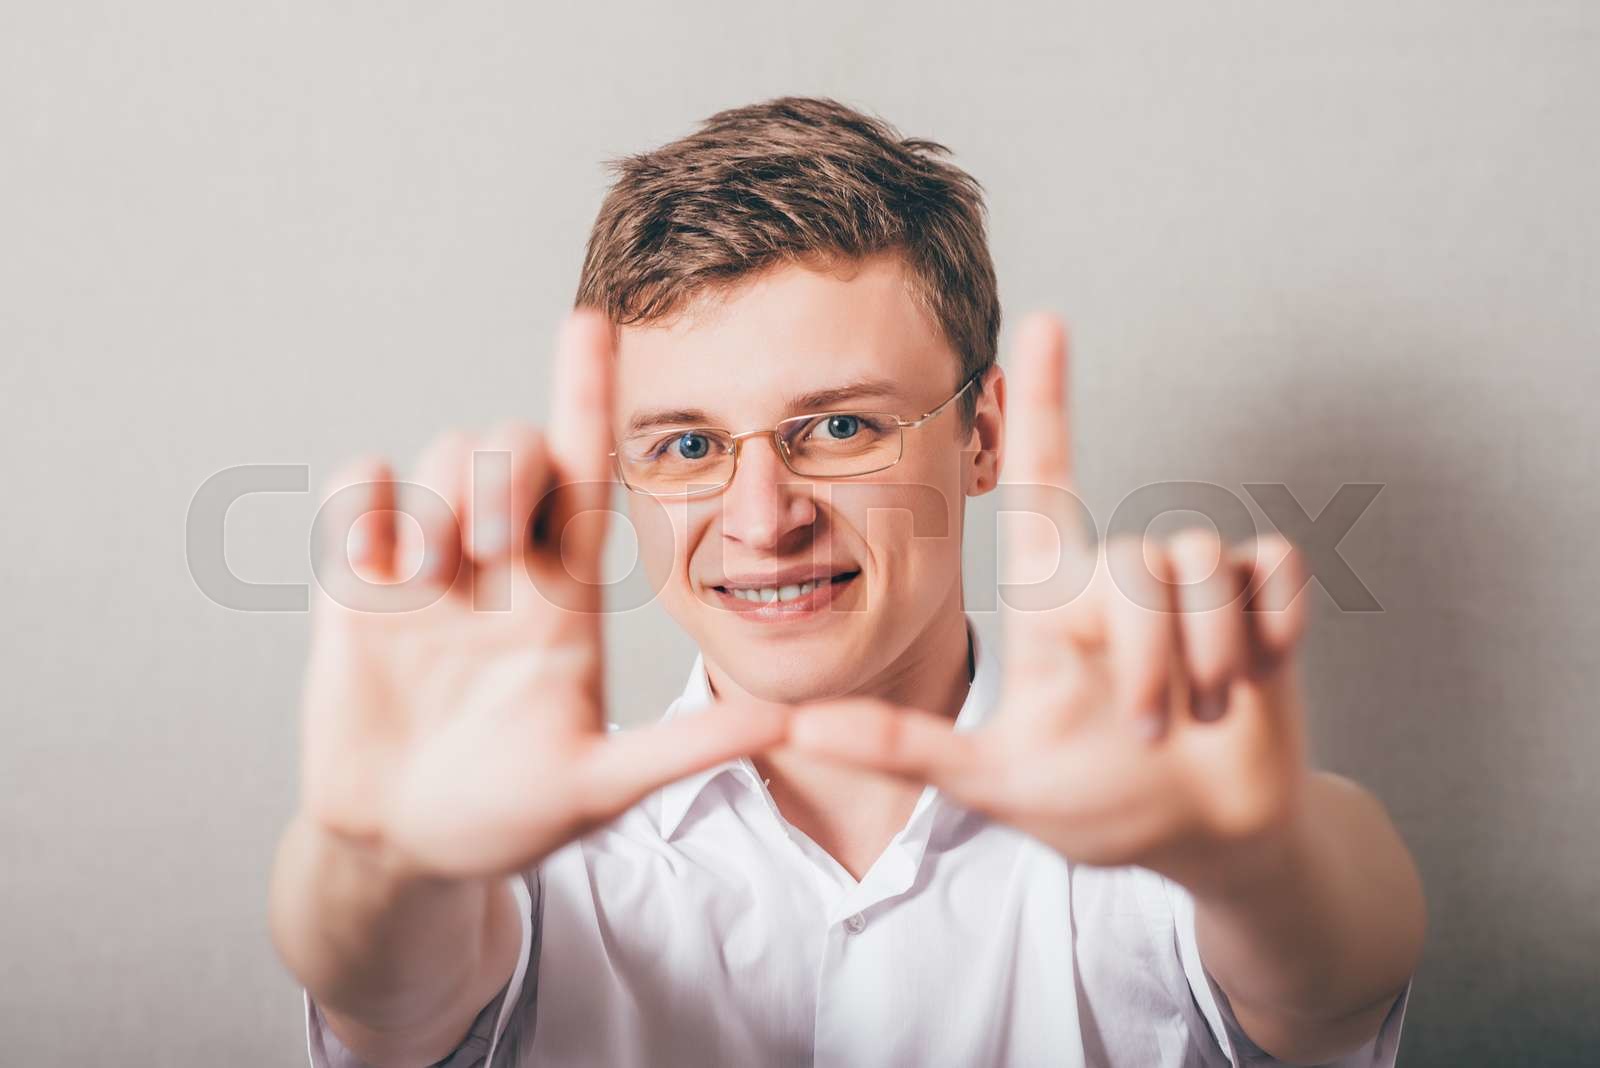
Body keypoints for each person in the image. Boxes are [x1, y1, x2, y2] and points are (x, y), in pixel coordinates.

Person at [269, 96, 1424, 1067]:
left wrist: (1256, 858)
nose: (763, 519)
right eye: (686, 445)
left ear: (981, 438)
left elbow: (1340, 957)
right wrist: (380, 861)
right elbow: (382, 983)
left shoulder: (1154, 828)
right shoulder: (518, 857)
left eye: (836, 426)